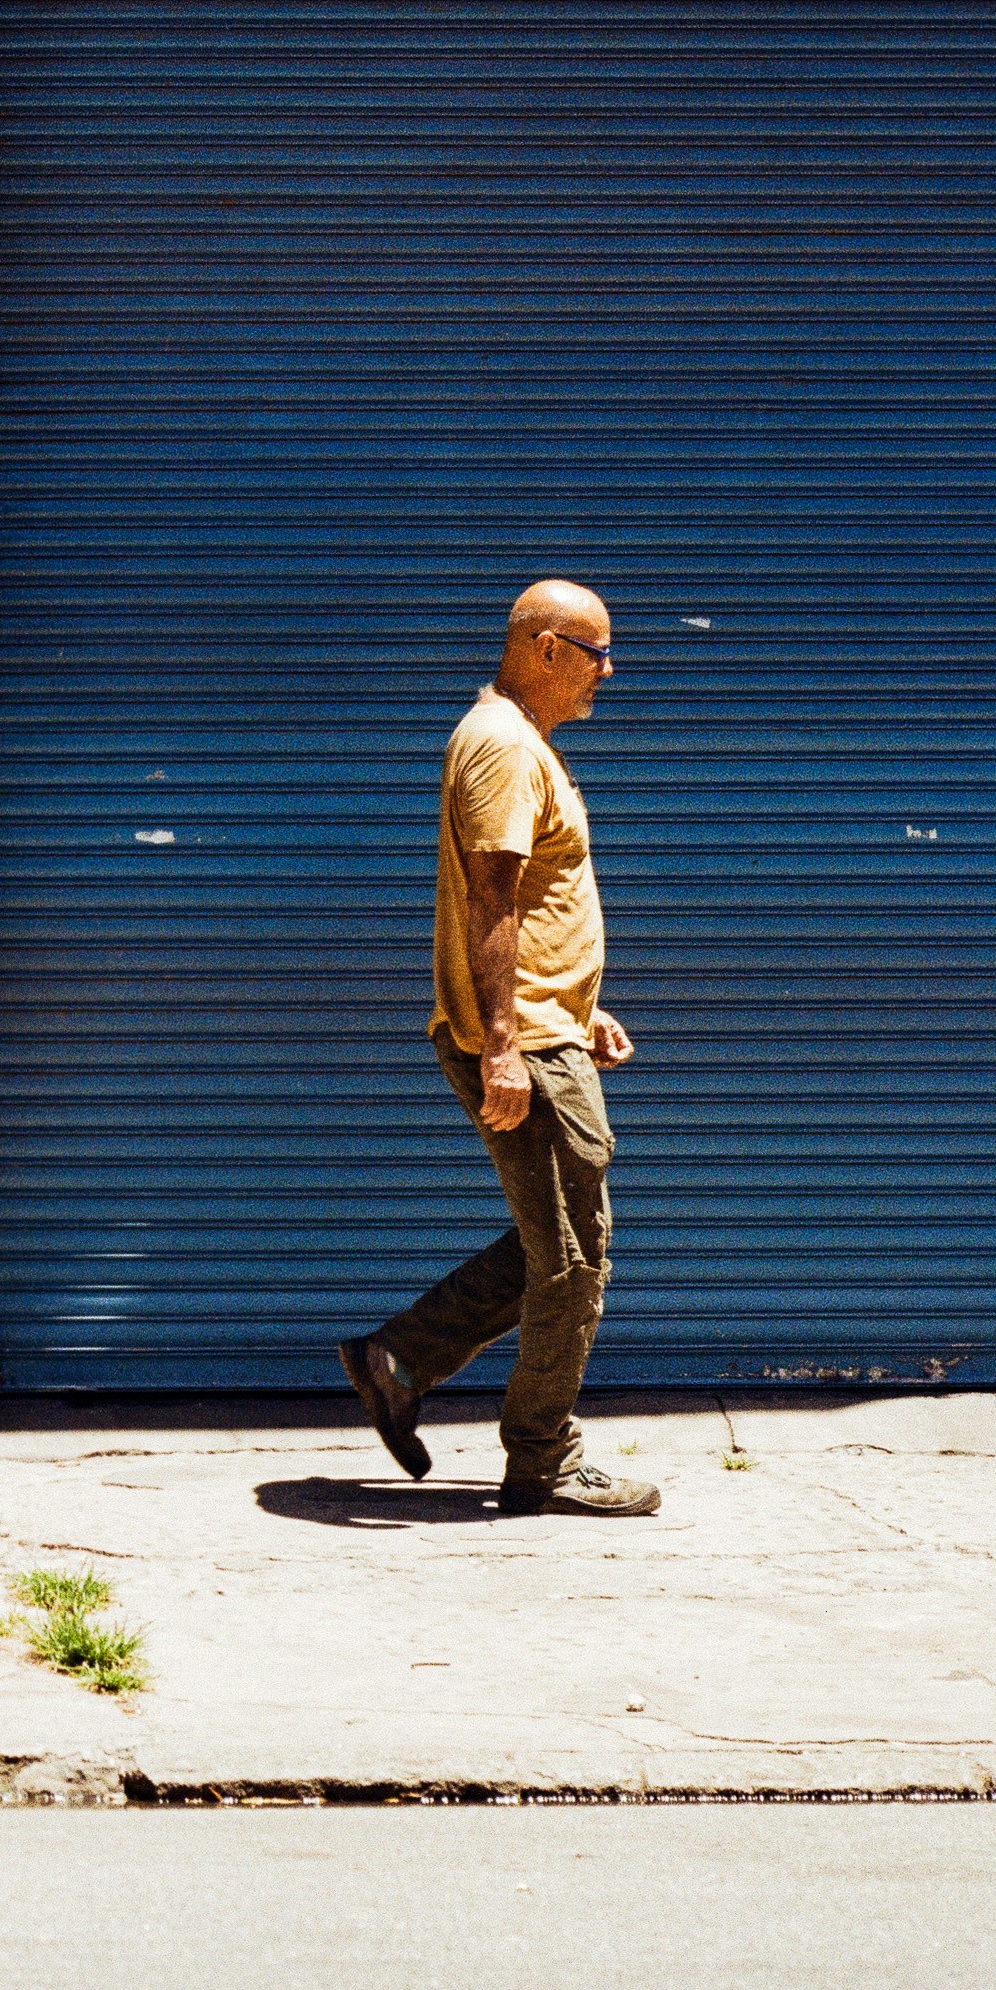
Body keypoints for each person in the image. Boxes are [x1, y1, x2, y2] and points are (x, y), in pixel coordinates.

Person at [338, 579, 661, 1517]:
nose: (611, 672)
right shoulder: (505, 748)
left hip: (550, 1032)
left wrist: (577, 1006)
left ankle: (399, 1360)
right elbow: (492, 901)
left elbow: (538, 912)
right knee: (574, 1258)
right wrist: (508, 1047)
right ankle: (543, 1459)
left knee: (560, 1244)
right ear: (546, 647)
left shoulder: (525, 745)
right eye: (598, 653)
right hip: (525, 1047)